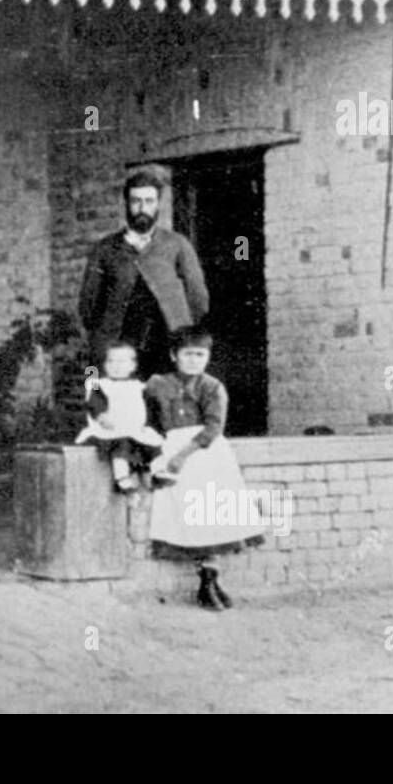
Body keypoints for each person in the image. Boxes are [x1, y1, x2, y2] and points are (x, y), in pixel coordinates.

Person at [145, 326, 266, 611]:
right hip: (171, 446)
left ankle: (210, 580)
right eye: (187, 354)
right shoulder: (157, 384)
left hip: (204, 451)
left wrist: (183, 456)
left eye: (200, 354)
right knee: (186, 510)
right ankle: (205, 580)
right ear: (174, 355)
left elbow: (213, 427)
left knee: (212, 510)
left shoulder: (212, 387)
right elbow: (148, 419)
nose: (194, 360)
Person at [78, 169, 209, 380]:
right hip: (121, 348)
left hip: (168, 345)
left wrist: (180, 326)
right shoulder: (104, 249)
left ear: (158, 204)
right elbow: (88, 305)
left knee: (166, 404)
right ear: (126, 204)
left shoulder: (177, 245)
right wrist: (105, 334)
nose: (142, 208)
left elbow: (198, 300)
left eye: (149, 201)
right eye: (136, 201)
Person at [75, 340, 168, 493]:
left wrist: (150, 425)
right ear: (105, 366)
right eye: (111, 361)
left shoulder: (139, 386)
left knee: (153, 444)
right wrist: (101, 416)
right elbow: (94, 403)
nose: (116, 366)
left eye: (121, 362)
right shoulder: (100, 385)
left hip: (134, 430)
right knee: (122, 446)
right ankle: (122, 477)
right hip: (111, 430)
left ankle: (157, 472)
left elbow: (149, 408)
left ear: (133, 366)